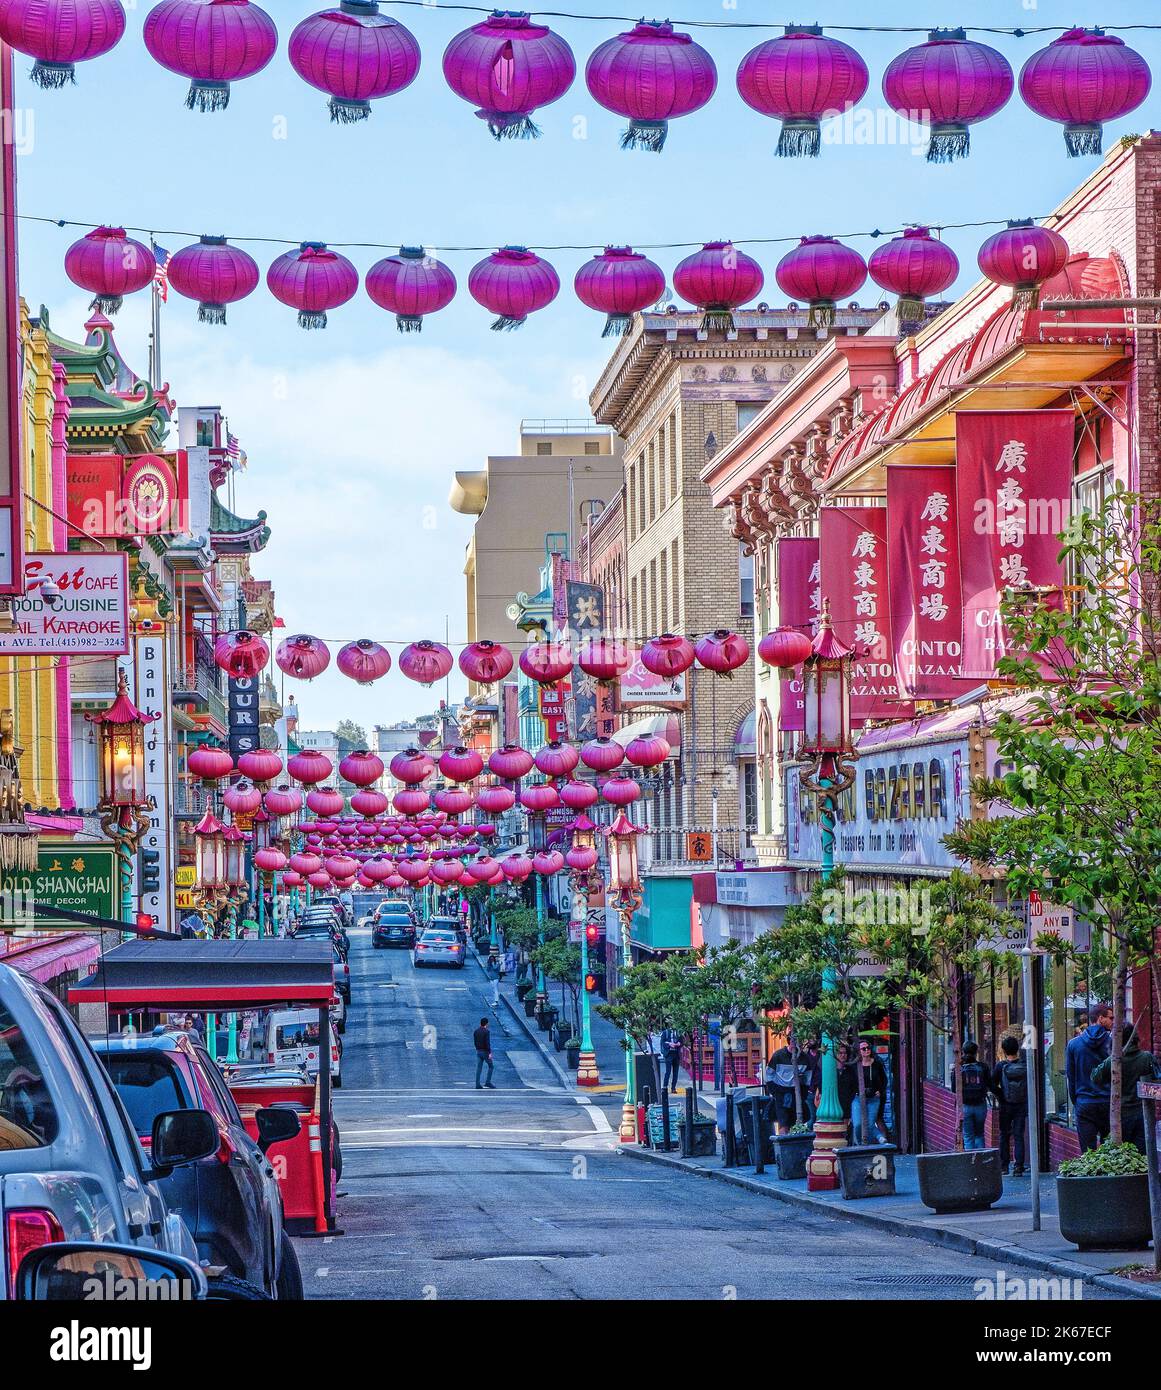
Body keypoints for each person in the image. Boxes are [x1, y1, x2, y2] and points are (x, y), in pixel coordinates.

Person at [1091, 1023, 1159, 1153]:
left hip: (1120, 1115)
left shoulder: (1113, 1061)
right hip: (1142, 1113)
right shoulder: (1147, 1058)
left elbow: (1095, 1077)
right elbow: (1157, 1080)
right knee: (1142, 1153)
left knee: (1122, 1153)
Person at [1066, 1004, 1112, 1150]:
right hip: (1107, 1101)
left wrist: (1077, 1100)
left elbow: (1071, 1077)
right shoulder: (1112, 1043)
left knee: (1087, 1151)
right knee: (1110, 1152)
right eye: (1111, 1018)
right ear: (1100, 1018)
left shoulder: (1074, 1044)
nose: (1114, 1021)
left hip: (1084, 1101)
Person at [991, 1036, 1028, 1175]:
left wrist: (1001, 1095)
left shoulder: (1001, 1066)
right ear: (1017, 1049)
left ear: (1004, 1050)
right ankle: (1018, 1166)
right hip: (1020, 1104)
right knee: (1019, 1135)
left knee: (1004, 1135)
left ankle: (1004, 1166)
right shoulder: (1024, 1065)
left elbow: (992, 1083)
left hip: (1005, 1105)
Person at [765, 1032, 811, 1135]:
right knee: (783, 1122)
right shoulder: (778, 1056)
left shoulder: (804, 1058)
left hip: (797, 1093)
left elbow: (808, 1078)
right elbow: (768, 1074)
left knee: (795, 1121)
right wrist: (774, 1091)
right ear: (789, 1041)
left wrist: (803, 1093)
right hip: (781, 1092)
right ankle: (783, 1144)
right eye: (794, 1041)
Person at [850, 1039, 889, 1143]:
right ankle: (860, 1145)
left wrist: (880, 1090)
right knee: (858, 1124)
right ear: (858, 1051)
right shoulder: (855, 1065)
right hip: (859, 1098)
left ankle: (876, 1141)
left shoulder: (877, 1063)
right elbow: (850, 1082)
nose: (867, 1050)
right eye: (863, 1049)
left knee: (870, 1124)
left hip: (873, 1099)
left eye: (868, 1048)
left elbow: (884, 1079)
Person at [954, 1041, 991, 1150]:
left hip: (964, 1106)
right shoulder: (983, 1067)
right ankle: (980, 1161)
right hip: (980, 1105)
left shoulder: (958, 1069)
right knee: (979, 1134)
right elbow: (989, 1084)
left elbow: (953, 1088)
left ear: (963, 1052)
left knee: (968, 1136)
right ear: (976, 1053)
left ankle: (971, 1163)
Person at [473, 1017, 495, 1089]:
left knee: (479, 1068)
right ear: (487, 1023)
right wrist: (490, 1053)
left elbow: (475, 1042)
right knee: (491, 1066)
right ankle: (488, 1082)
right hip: (485, 1051)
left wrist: (477, 1048)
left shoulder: (476, 1031)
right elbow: (487, 1043)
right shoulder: (486, 1032)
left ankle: (477, 1084)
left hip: (478, 1051)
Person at [660, 1027, 683, 1092]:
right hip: (669, 1054)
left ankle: (673, 1088)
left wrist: (679, 1044)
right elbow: (662, 1042)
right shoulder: (665, 1032)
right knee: (668, 1072)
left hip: (676, 1054)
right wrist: (669, 1044)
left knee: (675, 1073)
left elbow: (682, 1041)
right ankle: (665, 1087)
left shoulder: (678, 1032)